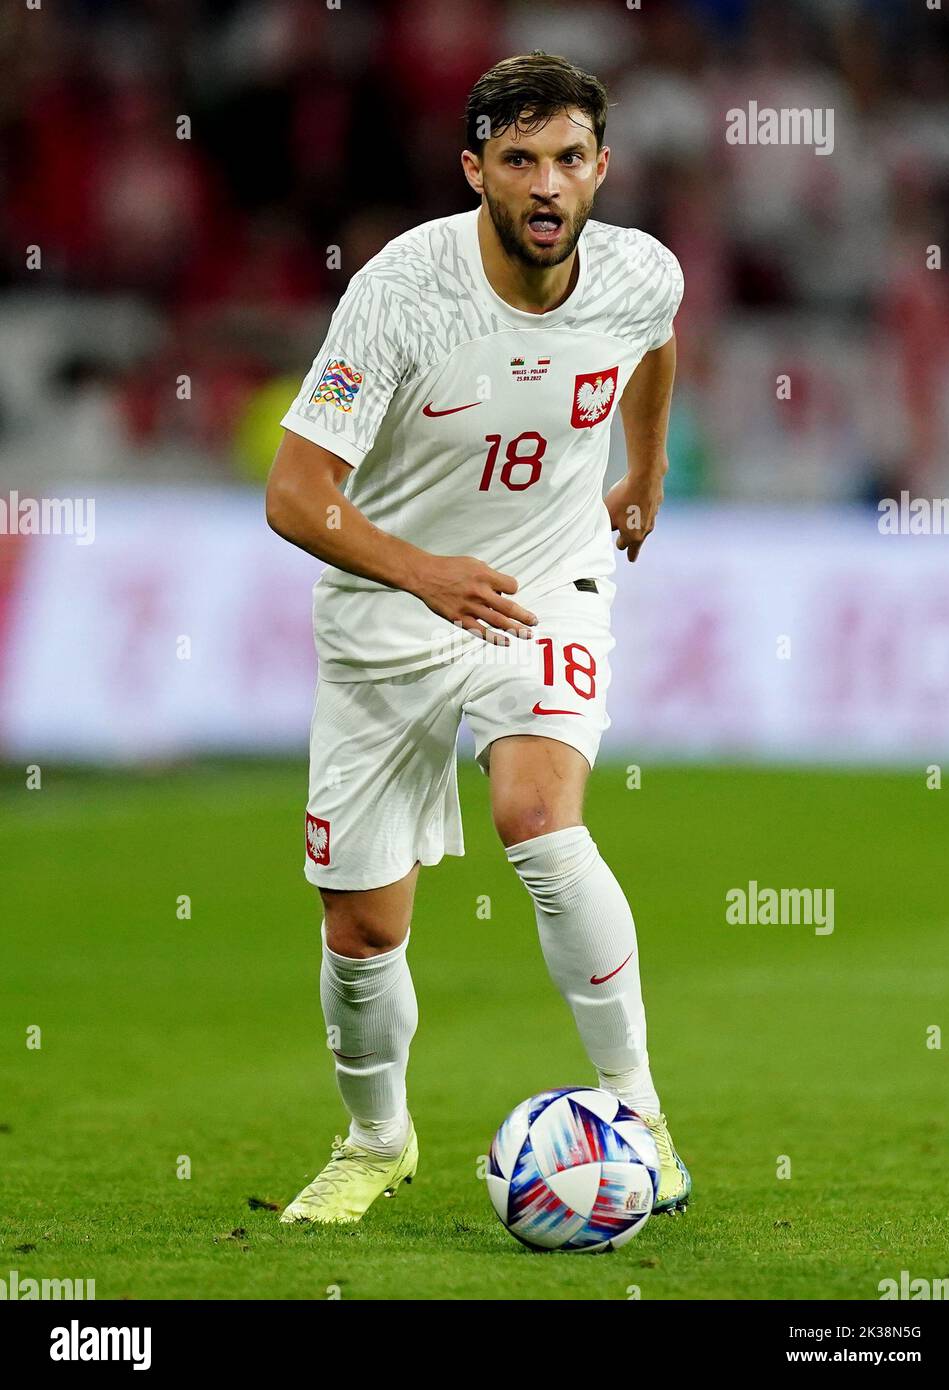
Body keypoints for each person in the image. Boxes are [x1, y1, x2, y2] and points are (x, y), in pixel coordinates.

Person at [266, 51, 690, 1225]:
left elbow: (653, 336)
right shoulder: (404, 289)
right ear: (475, 172)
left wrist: (641, 469)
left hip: (545, 582)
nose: (546, 185)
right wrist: (419, 572)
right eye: (518, 161)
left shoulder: (634, 270)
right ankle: (374, 1139)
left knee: (538, 816)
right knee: (362, 923)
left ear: (600, 166)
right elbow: (295, 494)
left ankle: (640, 1117)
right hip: (388, 609)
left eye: (567, 159)